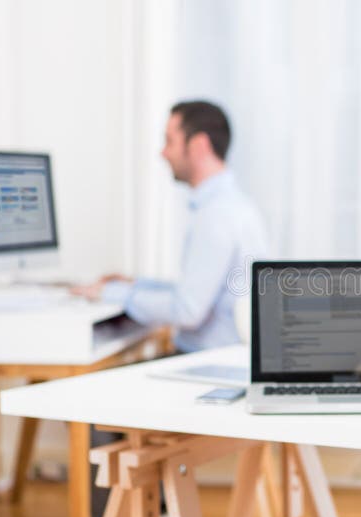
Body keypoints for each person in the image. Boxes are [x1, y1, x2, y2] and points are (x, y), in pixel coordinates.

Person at [72, 100, 268, 353]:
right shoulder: (232, 205)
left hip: (203, 358)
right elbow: (197, 293)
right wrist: (136, 285)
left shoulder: (217, 214)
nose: (163, 153)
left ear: (198, 145)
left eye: (169, 141)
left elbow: (187, 310)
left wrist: (111, 294)